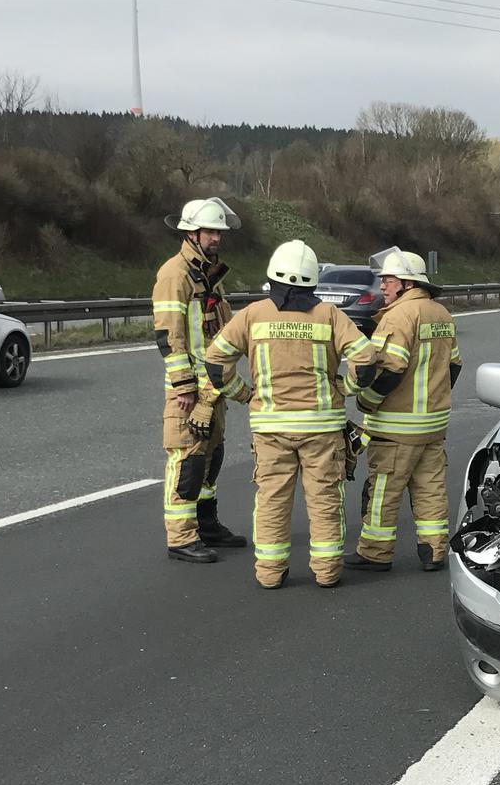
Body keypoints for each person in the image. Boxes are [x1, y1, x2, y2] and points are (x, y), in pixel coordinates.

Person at [203, 240, 378, 590]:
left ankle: (269, 573)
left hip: (271, 427)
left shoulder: (253, 314)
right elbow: (367, 359)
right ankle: (327, 572)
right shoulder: (330, 315)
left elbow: (215, 360)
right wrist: (344, 390)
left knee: (271, 501)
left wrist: (244, 394)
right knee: (325, 500)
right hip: (322, 428)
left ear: (273, 277)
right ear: (313, 280)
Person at [153, 194, 250, 563]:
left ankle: (206, 525)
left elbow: (222, 330)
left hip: (213, 388)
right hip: (191, 392)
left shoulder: (208, 276)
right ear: (192, 233)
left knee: (212, 456)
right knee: (188, 460)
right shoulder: (174, 275)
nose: (217, 238)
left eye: (220, 232)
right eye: (211, 231)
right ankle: (181, 537)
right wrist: (184, 386)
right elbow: (169, 335)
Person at [351, 249, 459, 573]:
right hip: (433, 424)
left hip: (398, 427)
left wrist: (365, 402)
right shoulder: (442, 314)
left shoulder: (398, 317)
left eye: (389, 279)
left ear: (407, 283)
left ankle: (374, 552)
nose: (383, 285)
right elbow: (454, 367)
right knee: (430, 489)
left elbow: (390, 371)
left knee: (383, 490)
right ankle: (434, 551)